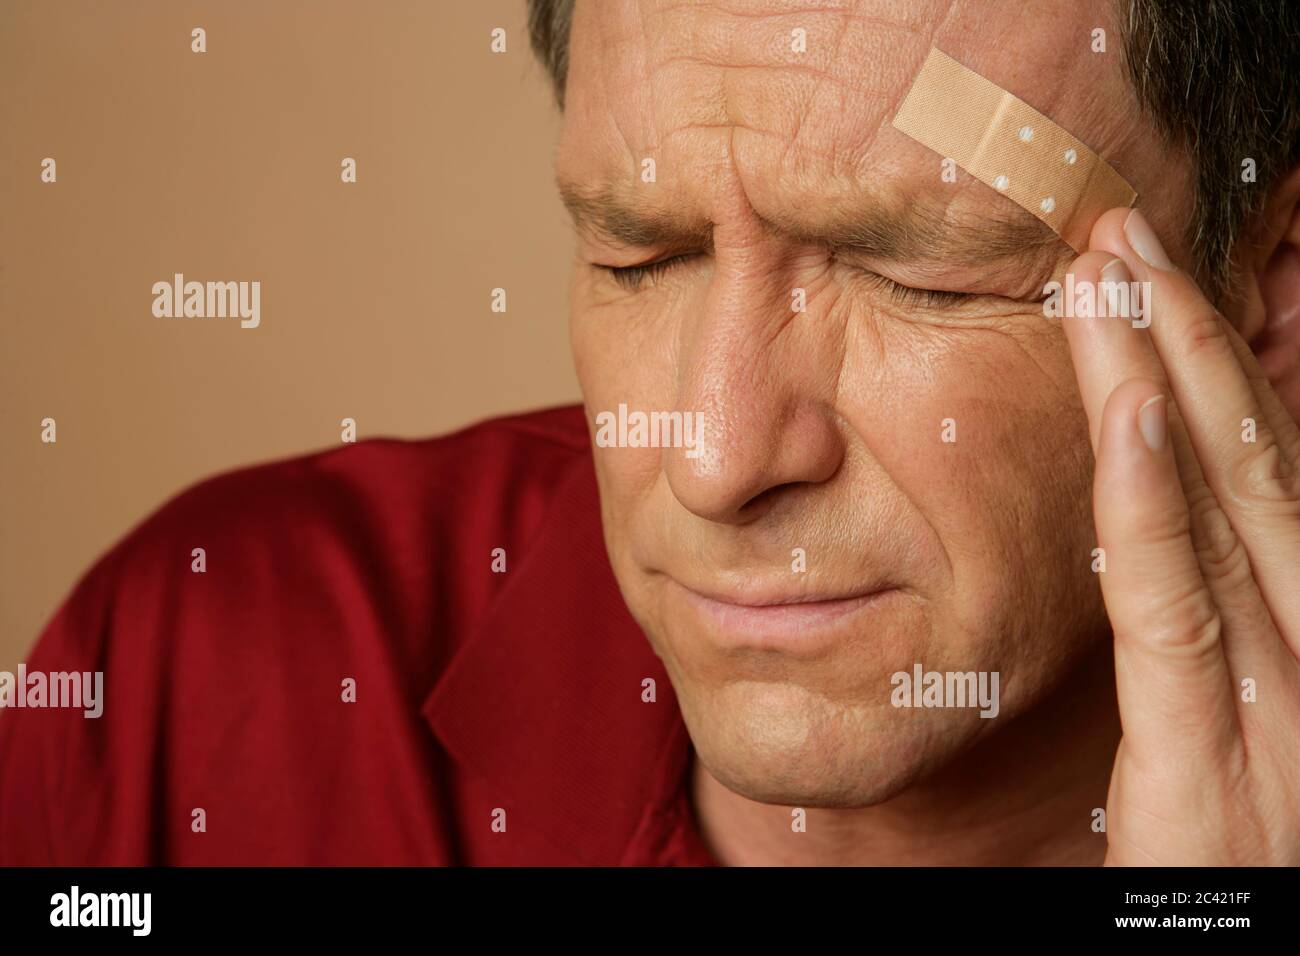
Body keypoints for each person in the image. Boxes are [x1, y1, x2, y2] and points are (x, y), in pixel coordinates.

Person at [1, 0, 1297, 866]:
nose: (717, 456)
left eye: (923, 277)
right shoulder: (192, 687)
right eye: (640, 256)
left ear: (1271, 289)